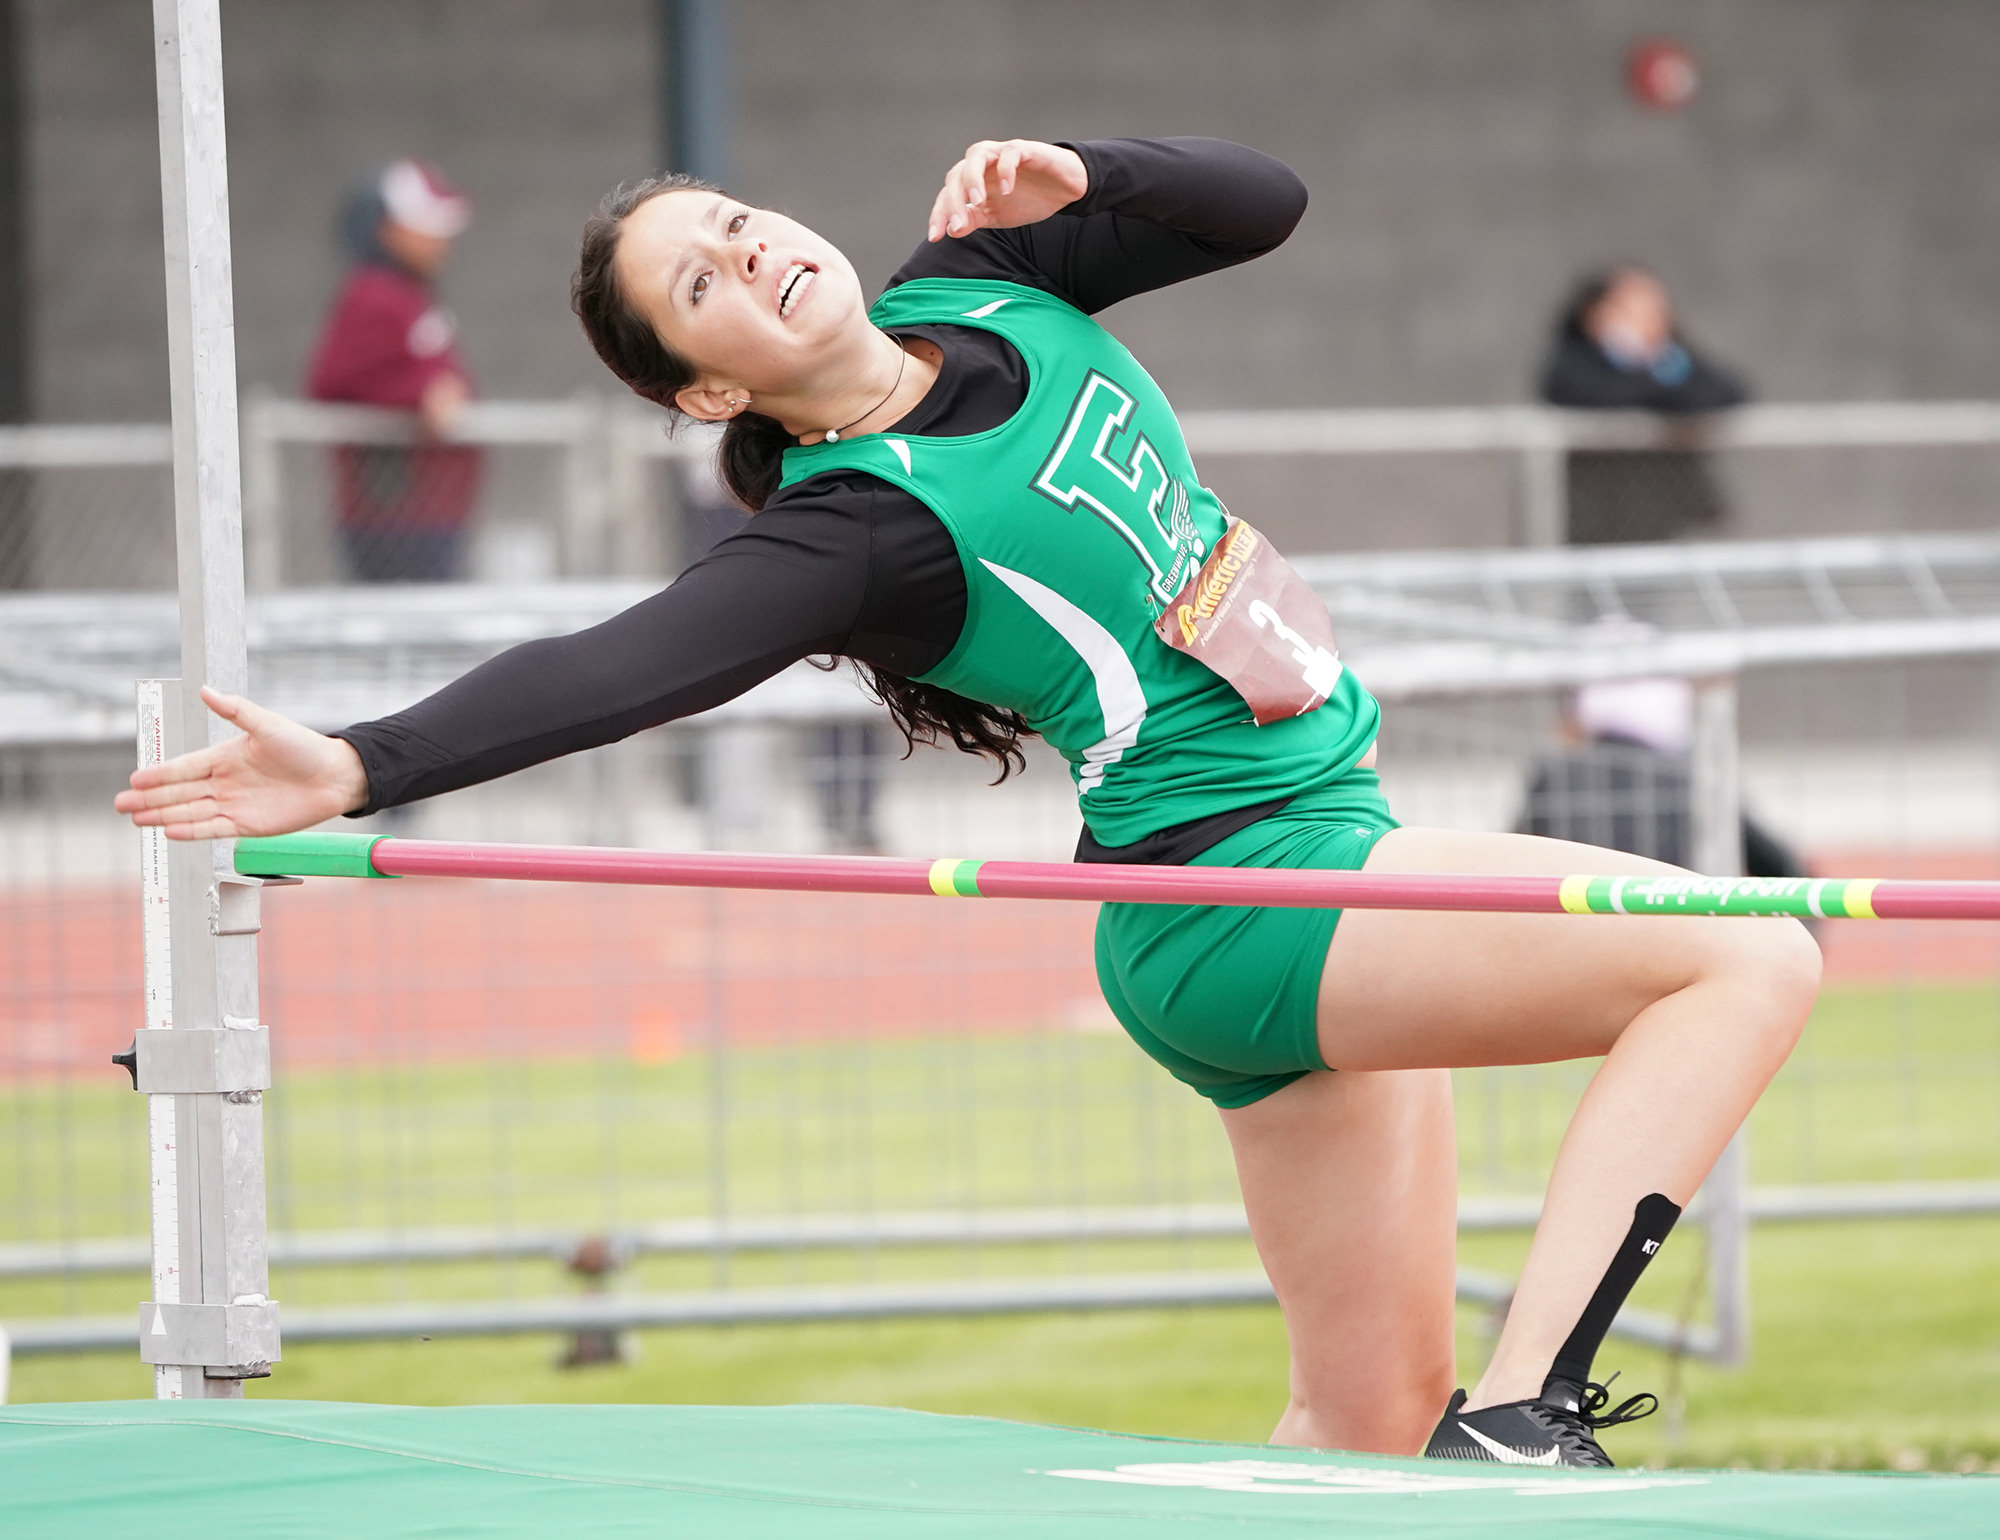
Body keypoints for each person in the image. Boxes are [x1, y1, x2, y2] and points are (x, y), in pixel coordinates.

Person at [118, 137, 1820, 1467]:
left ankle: (1475, 1426)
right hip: (1238, 892)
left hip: (1298, 858)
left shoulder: (990, 275)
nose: (752, 258)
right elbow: (624, 662)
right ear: (706, 387)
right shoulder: (850, 530)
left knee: (1365, 1431)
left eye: (737, 222)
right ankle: (1525, 1421)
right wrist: (362, 765)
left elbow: (1266, 202)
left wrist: (1093, 171)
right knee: (1743, 960)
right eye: (700, 285)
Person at [305, 159, 481, 582]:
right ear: (388, 228)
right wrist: (420, 397)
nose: (441, 241)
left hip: (425, 511)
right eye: (426, 225)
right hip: (393, 510)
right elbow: (331, 381)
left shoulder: (408, 296)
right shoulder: (374, 296)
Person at [1521, 673, 1809, 882]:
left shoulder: (1553, 778)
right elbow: (1786, 870)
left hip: (1581, 942)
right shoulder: (1692, 779)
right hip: (1680, 941)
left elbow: (1511, 860)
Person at [1537, 265, 1748, 544]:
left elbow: (1725, 392)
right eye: (1634, 310)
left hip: (1667, 518)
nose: (1651, 319)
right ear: (1596, 313)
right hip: (1596, 517)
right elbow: (1596, 396)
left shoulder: (1673, 361)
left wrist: (1658, 372)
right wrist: (1644, 372)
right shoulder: (1575, 363)